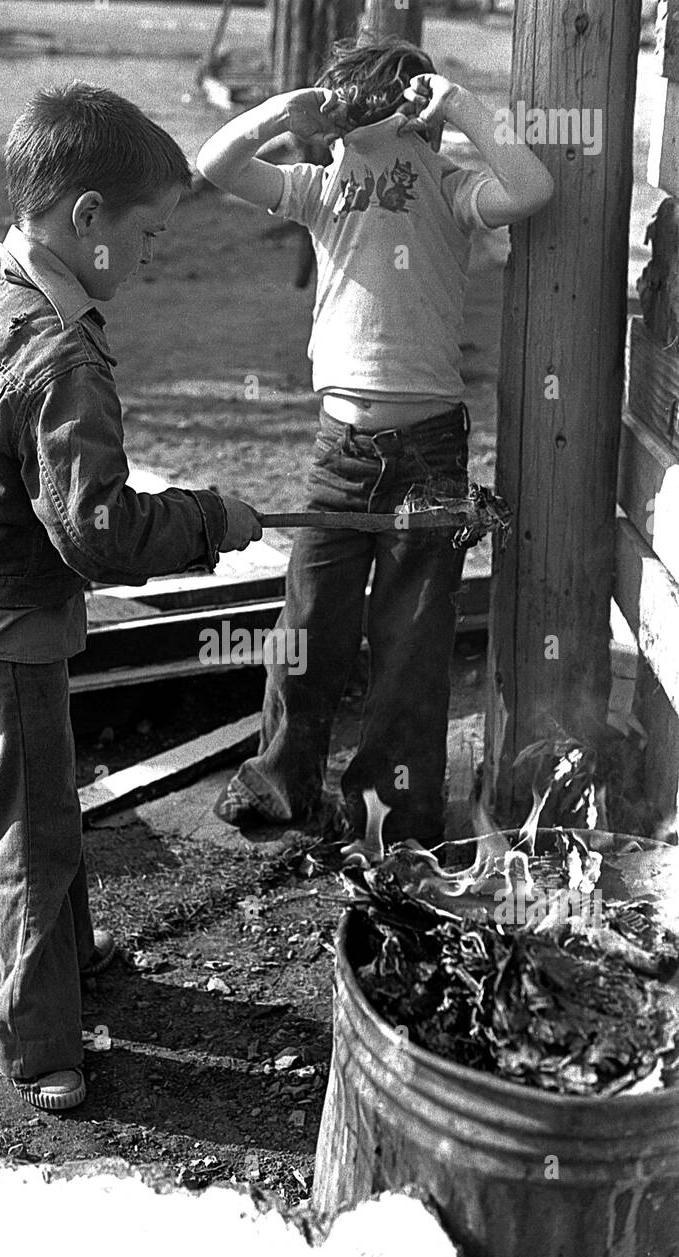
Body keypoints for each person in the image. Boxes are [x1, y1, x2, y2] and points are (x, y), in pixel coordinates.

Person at [0, 83, 262, 1112]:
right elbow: (95, 534)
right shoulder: (59, 359)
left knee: (42, 799)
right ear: (85, 219)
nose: (148, 257)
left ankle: (71, 966)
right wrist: (211, 519)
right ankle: (32, 1040)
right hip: (3, 629)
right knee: (33, 830)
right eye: (144, 234)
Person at [197, 38, 553, 847]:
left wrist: (458, 105)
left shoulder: (451, 187)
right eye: (339, 114)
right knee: (306, 626)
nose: (344, 124)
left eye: (358, 109)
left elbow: (533, 186)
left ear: (410, 119)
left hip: (428, 455)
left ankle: (391, 814)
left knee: (410, 645)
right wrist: (281, 114)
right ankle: (280, 785)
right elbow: (215, 165)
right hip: (341, 453)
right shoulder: (322, 190)